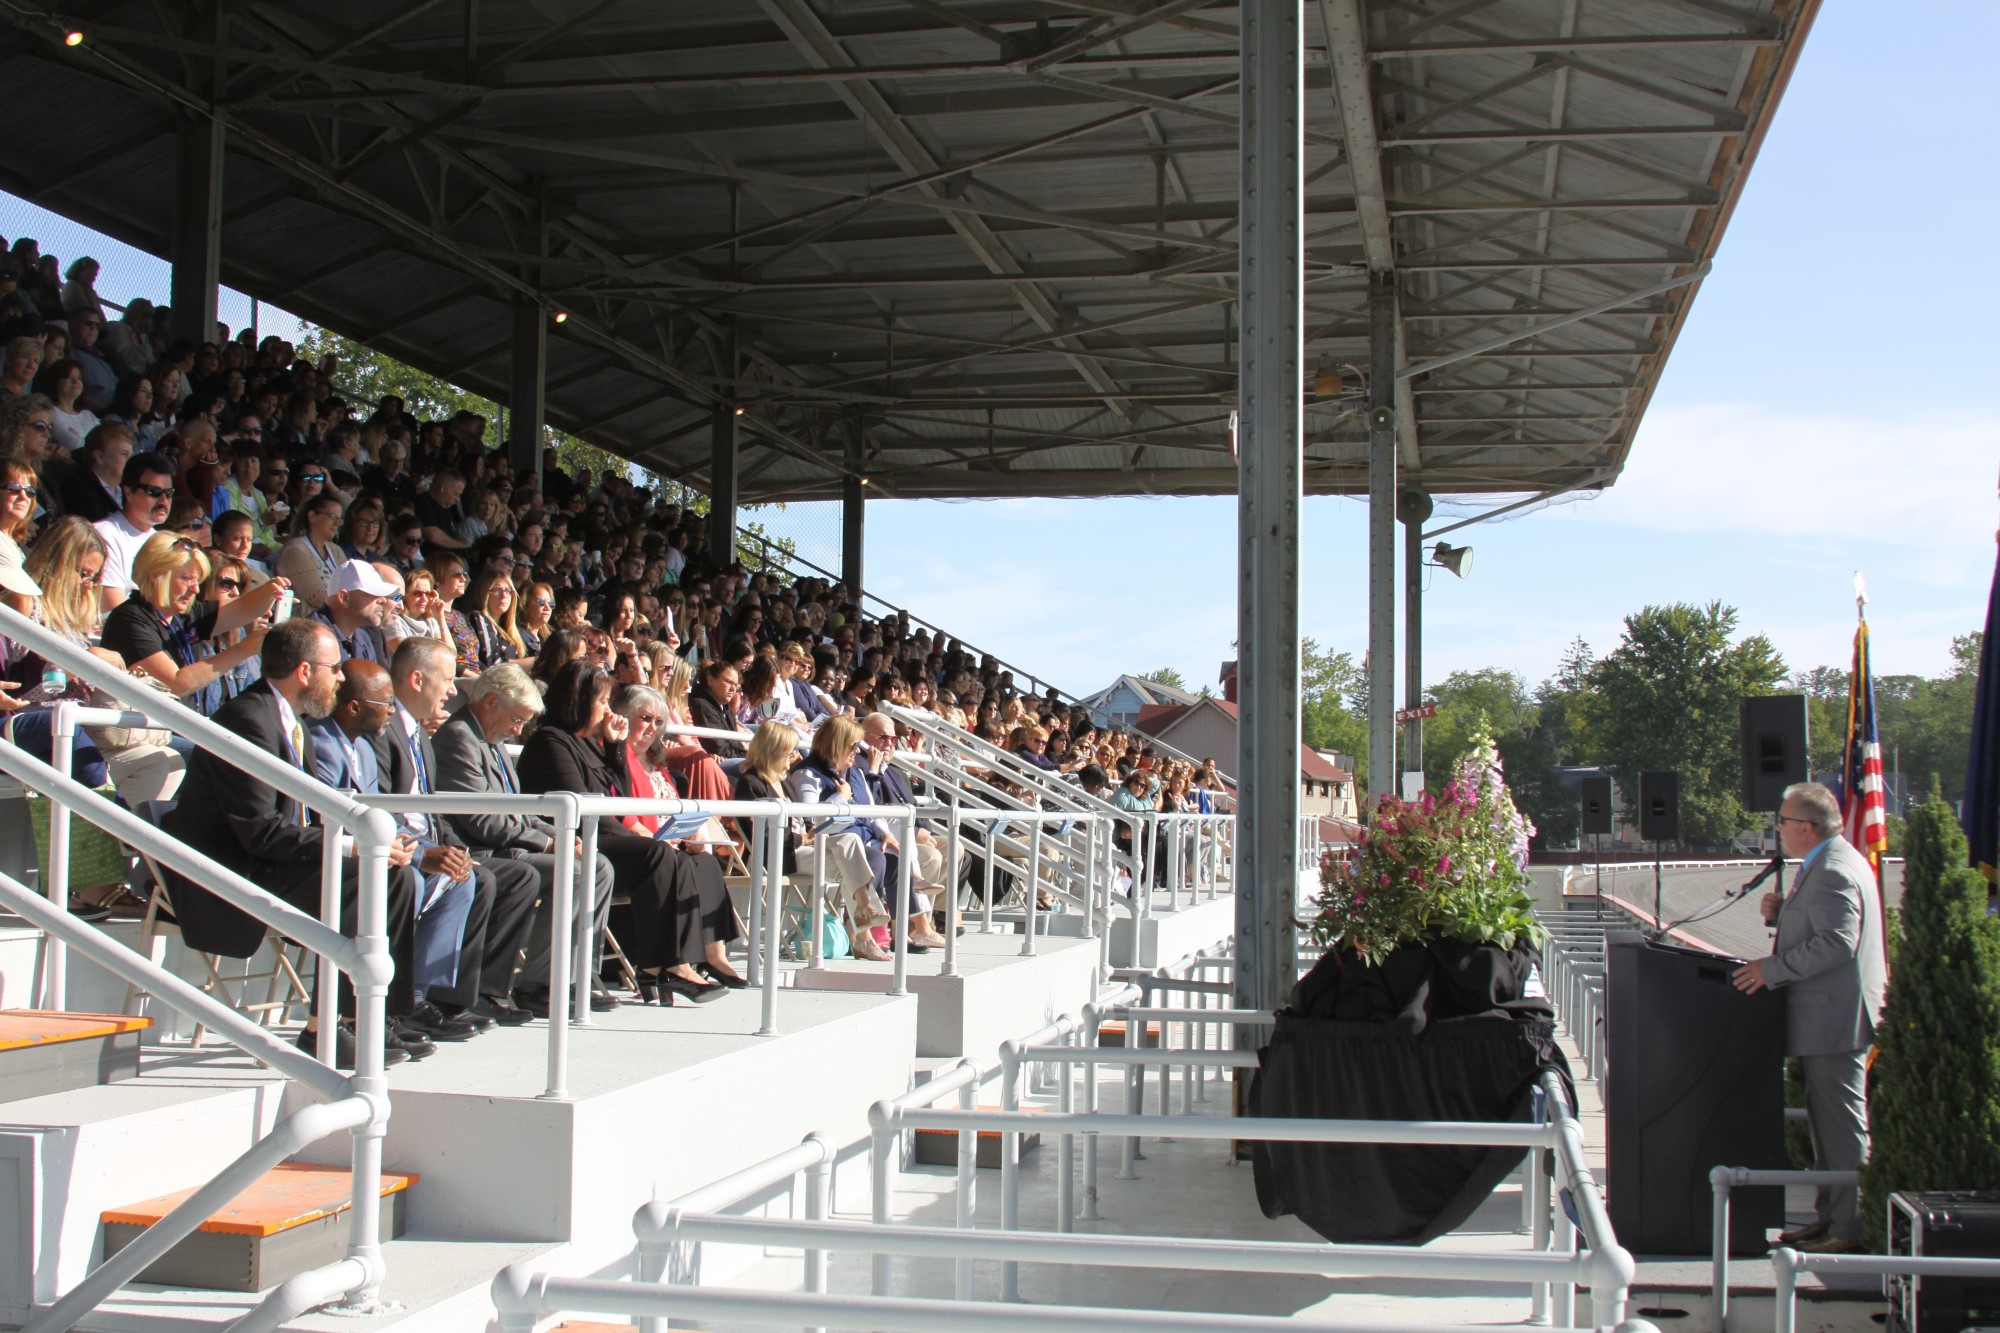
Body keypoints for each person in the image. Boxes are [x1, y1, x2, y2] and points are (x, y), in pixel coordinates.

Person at [159, 620, 431, 1069]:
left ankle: (374, 1015)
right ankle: (324, 1026)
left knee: (394, 876)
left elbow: (299, 817)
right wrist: (352, 848)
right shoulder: (249, 718)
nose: (341, 679)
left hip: (272, 859)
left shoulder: (286, 716)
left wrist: (368, 841)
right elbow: (259, 830)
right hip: (231, 870)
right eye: (334, 669)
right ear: (305, 671)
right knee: (365, 879)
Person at [1732, 781, 1889, 1254]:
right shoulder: (1828, 862)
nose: (1777, 829)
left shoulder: (1834, 870)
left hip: (1837, 1021)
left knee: (1841, 1128)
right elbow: (1826, 927)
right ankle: (1830, 1220)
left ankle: (1849, 1228)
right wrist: (1786, 912)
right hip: (1830, 1018)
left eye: (1782, 821)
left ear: (1805, 827)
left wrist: (1770, 970)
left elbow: (1839, 942)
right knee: (1827, 1126)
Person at [515, 660, 730, 1004]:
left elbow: (619, 795)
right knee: (659, 854)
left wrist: (615, 747)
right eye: (601, 702)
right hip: (576, 840)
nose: (607, 710)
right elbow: (588, 810)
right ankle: (664, 965)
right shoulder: (552, 741)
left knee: (686, 860)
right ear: (578, 701)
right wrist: (641, 837)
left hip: (602, 837)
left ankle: (671, 965)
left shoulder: (591, 744)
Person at [431, 662, 618, 1016]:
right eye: (517, 719)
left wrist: (563, 836)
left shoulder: (493, 740)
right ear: (489, 701)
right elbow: (482, 819)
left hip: (510, 844)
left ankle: (575, 976)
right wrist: (551, 844)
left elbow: (521, 812)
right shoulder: (460, 738)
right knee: (578, 873)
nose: (519, 730)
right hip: (484, 850)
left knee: (597, 865)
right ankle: (539, 984)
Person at [373, 637, 540, 1029]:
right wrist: (424, 855)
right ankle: (418, 1001)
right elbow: (379, 809)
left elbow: (434, 813)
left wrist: (452, 847)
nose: (453, 690)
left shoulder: (420, 736)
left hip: (435, 846)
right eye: (448, 680)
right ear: (417, 679)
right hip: (399, 853)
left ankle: (453, 997)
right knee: (477, 878)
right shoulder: (389, 732)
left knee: (486, 875)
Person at [100, 533, 285, 718]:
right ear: (157, 576)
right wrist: (242, 650)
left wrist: (270, 591)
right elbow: (176, 683)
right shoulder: (130, 619)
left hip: (184, 727)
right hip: (153, 733)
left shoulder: (183, 613)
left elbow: (243, 609)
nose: (196, 589)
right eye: (187, 579)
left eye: (197, 581)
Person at [274, 492, 347, 611]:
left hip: (338, 618)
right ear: (312, 516)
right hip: (307, 623)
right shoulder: (295, 550)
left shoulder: (335, 550)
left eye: (339, 519)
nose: (337, 523)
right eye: (332, 517)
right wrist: (353, 607)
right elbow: (318, 597)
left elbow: (351, 584)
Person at [313, 559, 393, 666]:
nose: (383, 600)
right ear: (344, 598)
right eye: (373, 593)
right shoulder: (311, 636)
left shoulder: (363, 638)